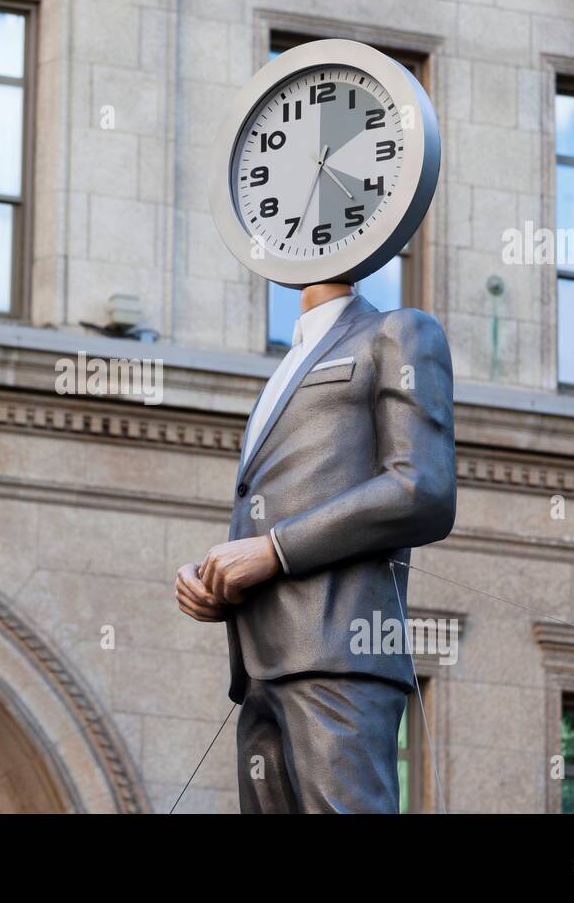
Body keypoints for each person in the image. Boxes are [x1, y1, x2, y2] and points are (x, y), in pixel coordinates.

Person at [174, 280, 456, 813]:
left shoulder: (398, 331)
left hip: (341, 653)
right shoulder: (288, 363)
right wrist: (216, 580)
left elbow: (422, 488)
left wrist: (273, 550)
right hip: (259, 668)